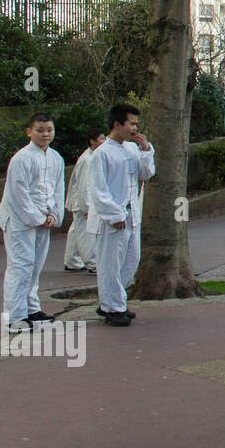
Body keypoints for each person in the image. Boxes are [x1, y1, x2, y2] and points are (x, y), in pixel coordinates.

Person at [0, 112, 65, 333]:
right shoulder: (21, 158)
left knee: (35, 266)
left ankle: (32, 309)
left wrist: (53, 214)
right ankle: (15, 317)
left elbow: (57, 190)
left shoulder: (55, 158)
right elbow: (18, 194)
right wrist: (37, 218)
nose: (45, 134)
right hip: (19, 221)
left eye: (49, 130)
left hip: (44, 220)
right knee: (20, 267)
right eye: (40, 130)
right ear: (29, 132)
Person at [88, 104, 155, 326]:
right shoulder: (101, 154)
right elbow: (98, 190)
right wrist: (114, 215)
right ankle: (112, 307)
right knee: (110, 264)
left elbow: (146, 174)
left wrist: (145, 149)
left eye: (136, 123)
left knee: (131, 261)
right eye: (132, 123)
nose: (135, 128)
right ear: (117, 124)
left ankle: (115, 301)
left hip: (132, 216)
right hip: (113, 220)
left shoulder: (132, 149)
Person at [63, 129, 106, 273]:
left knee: (76, 232)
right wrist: (88, 208)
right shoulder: (87, 160)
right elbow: (84, 185)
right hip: (81, 204)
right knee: (86, 233)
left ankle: (72, 260)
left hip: (79, 202)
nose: (104, 141)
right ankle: (93, 264)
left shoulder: (92, 157)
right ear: (92, 141)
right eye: (101, 139)